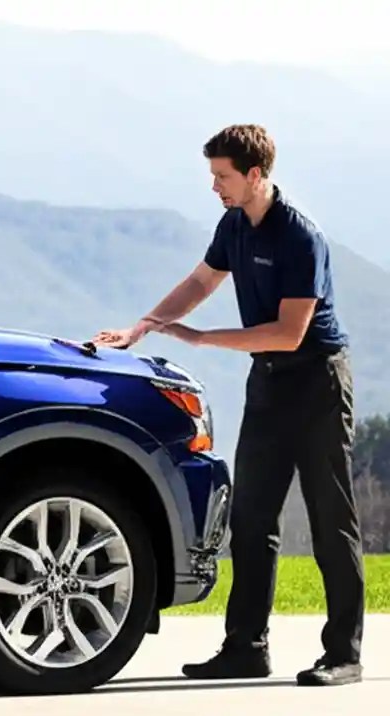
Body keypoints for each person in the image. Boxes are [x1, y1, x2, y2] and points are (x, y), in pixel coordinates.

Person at [92, 124, 364, 686]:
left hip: (318, 385)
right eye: (213, 175)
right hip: (268, 385)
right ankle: (246, 647)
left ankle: (344, 654)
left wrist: (201, 339)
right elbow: (200, 281)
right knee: (250, 520)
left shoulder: (300, 238)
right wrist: (143, 327)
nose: (215, 186)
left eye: (223, 176)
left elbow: (290, 333)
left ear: (256, 175)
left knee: (330, 521)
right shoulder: (234, 224)